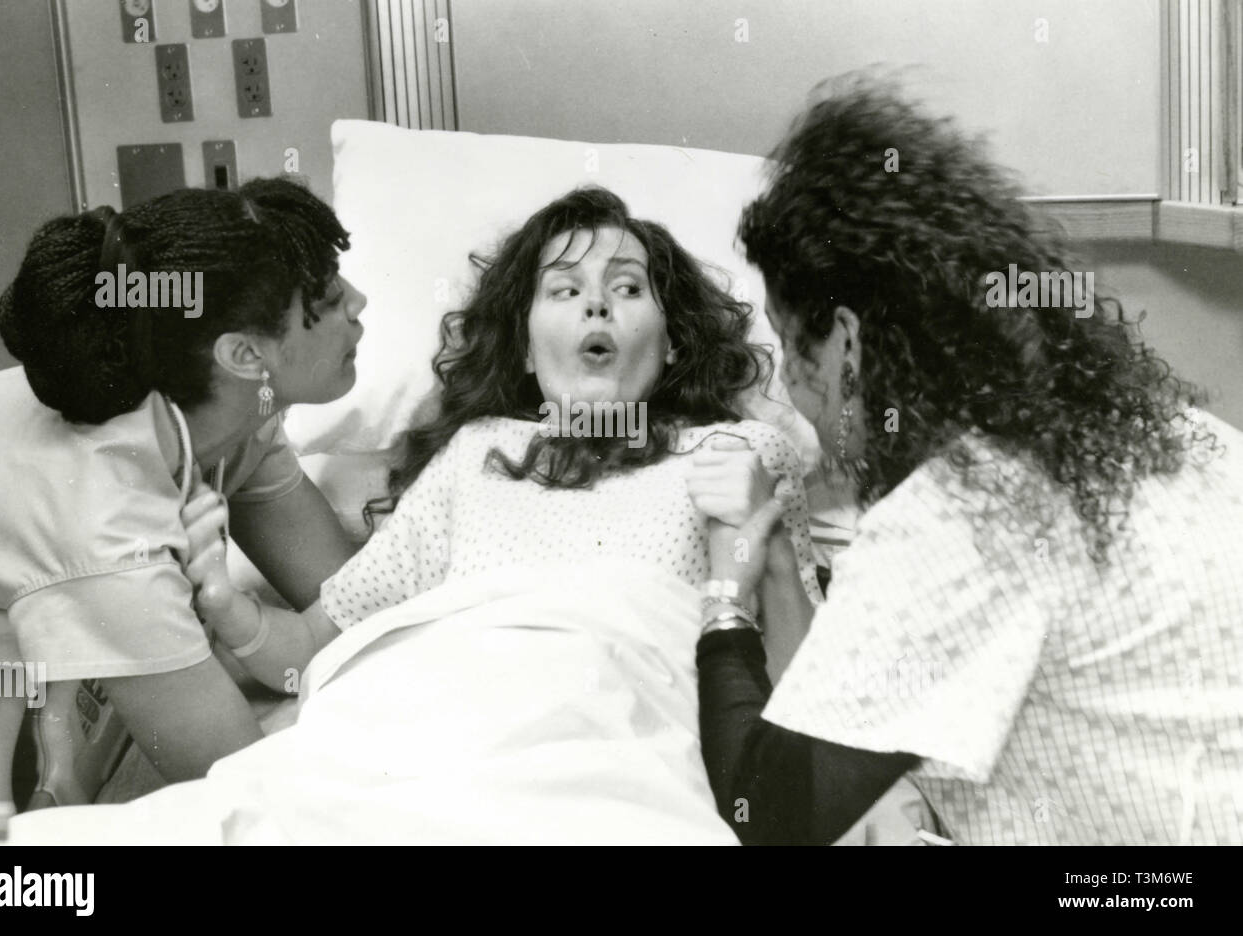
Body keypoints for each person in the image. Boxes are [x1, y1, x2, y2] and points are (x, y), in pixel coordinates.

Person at [691, 78, 1243, 845]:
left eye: (791, 346)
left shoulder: (958, 514)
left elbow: (771, 813)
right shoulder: (1178, 432)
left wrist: (726, 603)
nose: (787, 382)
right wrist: (784, 561)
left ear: (848, 343)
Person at [180, 185, 821, 707]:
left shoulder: (742, 454)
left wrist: (772, 560)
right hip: (456, 742)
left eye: (627, 288)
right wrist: (226, 605)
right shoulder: (475, 456)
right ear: (522, 348)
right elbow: (307, 654)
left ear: (673, 339)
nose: (597, 304)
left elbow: (811, 706)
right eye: (565, 291)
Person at [0, 178, 365, 797]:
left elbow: (352, 601)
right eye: (328, 299)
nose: (360, 301)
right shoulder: (106, 529)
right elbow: (239, 787)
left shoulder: (227, 409)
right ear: (243, 354)